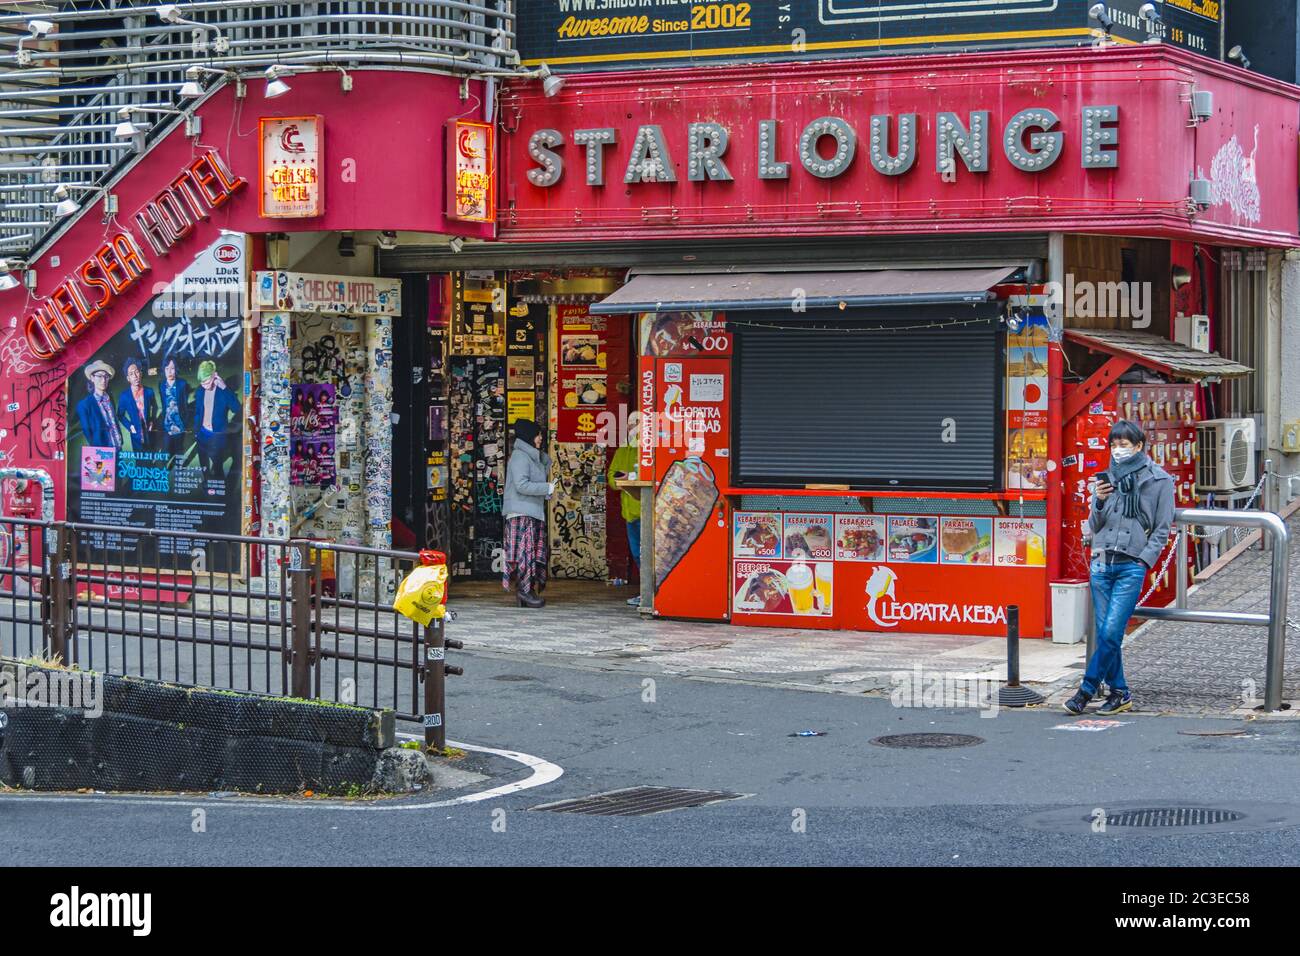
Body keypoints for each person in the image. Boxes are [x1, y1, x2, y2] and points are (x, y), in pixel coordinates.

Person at [1064, 420, 1175, 717]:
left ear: (1138, 446)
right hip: (1101, 562)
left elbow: (1163, 529)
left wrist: (1143, 560)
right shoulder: (1106, 478)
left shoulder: (1160, 480)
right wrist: (1098, 501)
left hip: (1130, 565)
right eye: (1113, 445)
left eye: (1123, 445)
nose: (1117, 451)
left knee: (1112, 632)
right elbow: (1095, 523)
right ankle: (1120, 692)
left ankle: (1085, 691)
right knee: (1106, 635)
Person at [502, 419, 554, 608]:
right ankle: (525, 591)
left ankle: (526, 591)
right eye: (538, 434)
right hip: (521, 513)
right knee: (526, 556)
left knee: (530, 554)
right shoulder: (520, 457)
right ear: (529, 436)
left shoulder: (531, 457)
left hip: (530, 512)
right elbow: (522, 485)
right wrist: (546, 487)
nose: (540, 438)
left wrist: (545, 491)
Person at [607, 410, 643, 607]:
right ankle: (646, 592)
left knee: (647, 554)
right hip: (629, 512)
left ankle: (651, 593)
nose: (632, 426)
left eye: (637, 422)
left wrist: (627, 476)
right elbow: (612, 477)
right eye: (630, 423)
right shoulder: (624, 449)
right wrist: (626, 477)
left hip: (646, 510)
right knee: (638, 554)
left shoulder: (648, 447)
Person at [190, 359, 242, 480]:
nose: (204, 385)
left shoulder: (223, 392)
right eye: (202, 382)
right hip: (202, 433)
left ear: (214, 375)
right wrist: (196, 431)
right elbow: (198, 412)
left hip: (217, 435)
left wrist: (225, 388)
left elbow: (237, 408)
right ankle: (207, 481)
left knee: (217, 464)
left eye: (207, 381)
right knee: (204, 464)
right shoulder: (200, 390)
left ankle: (219, 487)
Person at [75, 360, 122, 450]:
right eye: (99, 376)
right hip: (101, 451)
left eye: (106, 376)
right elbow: (88, 433)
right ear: (92, 378)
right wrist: (98, 449)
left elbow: (113, 421)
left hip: (118, 446)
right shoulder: (84, 405)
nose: (103, 380)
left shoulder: (109, 398)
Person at [116, 357, 157, 452]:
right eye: (131, 374)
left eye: (137, 372)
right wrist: (130, 426)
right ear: (128, 378)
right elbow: (120, 415)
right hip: (136, 434)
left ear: (141, 373)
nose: (135, 376)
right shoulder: (125, 396)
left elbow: (155, 407)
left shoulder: (149, 391)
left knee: (150, 454)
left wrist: (152, 420)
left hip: (149, 432)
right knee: (139, 459)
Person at [158, 354, 190, 460]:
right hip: (167, 423)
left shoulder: (182, 384)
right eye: (167, 368)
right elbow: (163, 403)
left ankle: (179, 467)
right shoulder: (161, 385)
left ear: (176, 369)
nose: (170, 371)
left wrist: (185, 421)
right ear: (164, 369)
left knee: (179, 447)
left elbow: (184, 404)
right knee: (166, 447)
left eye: (172, 368)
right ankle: (165, 468)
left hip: (179, 422)